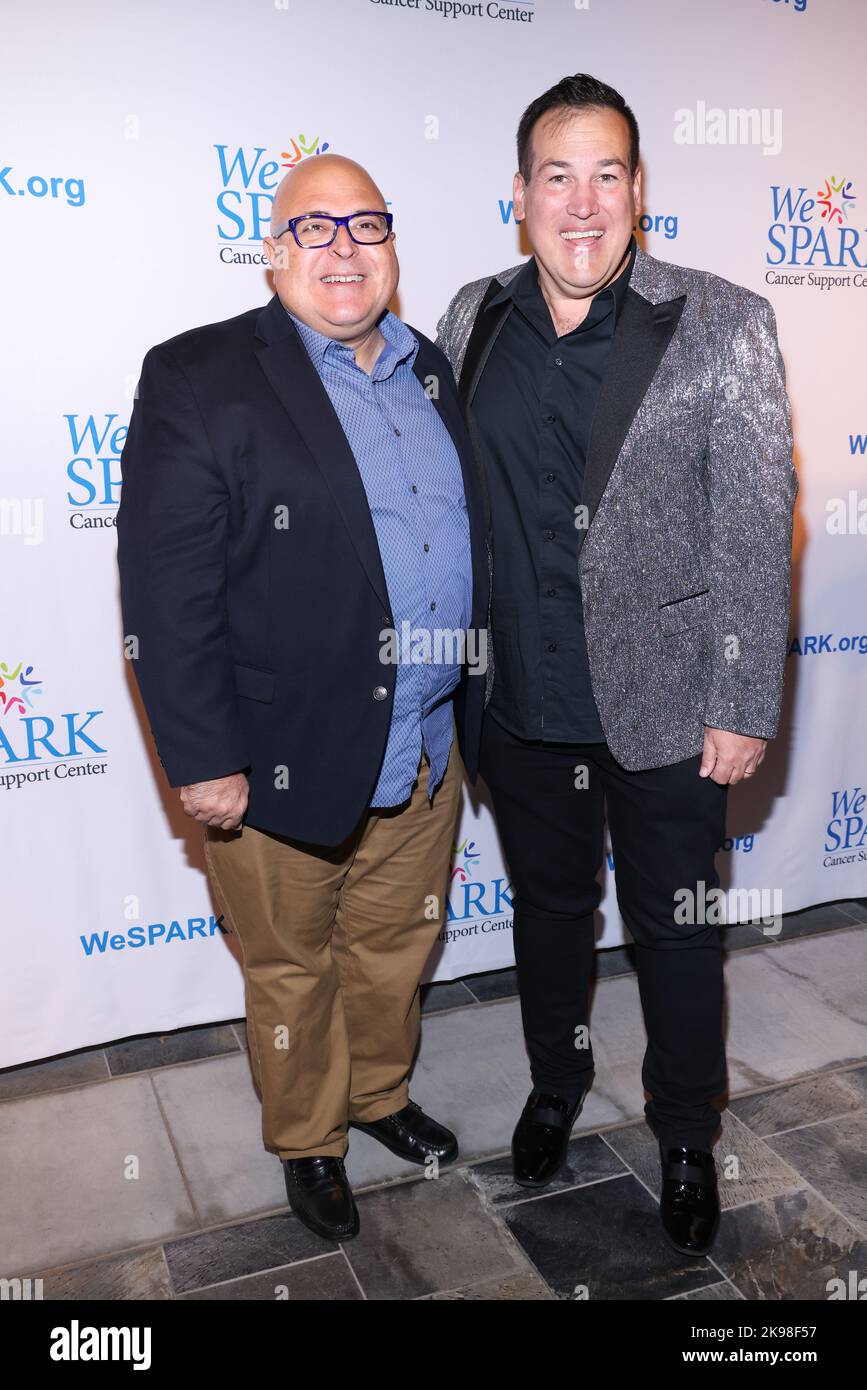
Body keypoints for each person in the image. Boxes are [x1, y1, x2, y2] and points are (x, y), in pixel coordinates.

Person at [436, 74, 797, 1256]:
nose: (581, 204)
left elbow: (755, 523)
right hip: (523, 705)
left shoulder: (724, 319)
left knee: (677, 934)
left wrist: (743, 702)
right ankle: (554, 1087)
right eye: (557, 175)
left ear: (640, 191)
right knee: (548, 917)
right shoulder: (470, 316)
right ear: (521, 194)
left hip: (671, 711)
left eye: (607, 175)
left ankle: (687, 1138)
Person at [116, 153, 489, 1243]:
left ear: (392, 250)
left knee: (393, 948)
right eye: (313, 228)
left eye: (365, 226)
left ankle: (376, 1096)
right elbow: (165, 589)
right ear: (272, 249)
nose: (342, 249)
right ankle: (310, 1138)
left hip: (423, 742)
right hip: (277, 753)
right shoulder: (202, 374)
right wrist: (202, 757)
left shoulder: (429, 369)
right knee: (290, 966)